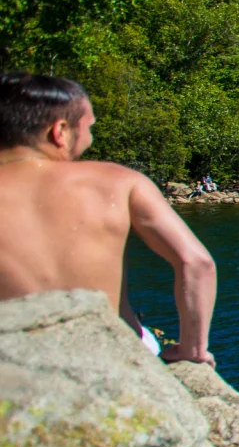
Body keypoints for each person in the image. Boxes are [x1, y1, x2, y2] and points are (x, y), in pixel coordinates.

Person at [0, 73, 217, 363]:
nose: (90, 138)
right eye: (89, 128)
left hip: (16, 361)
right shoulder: (119, 182)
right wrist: (192, 350)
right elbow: (197, 263)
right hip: (113, 358)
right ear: (60, 131)